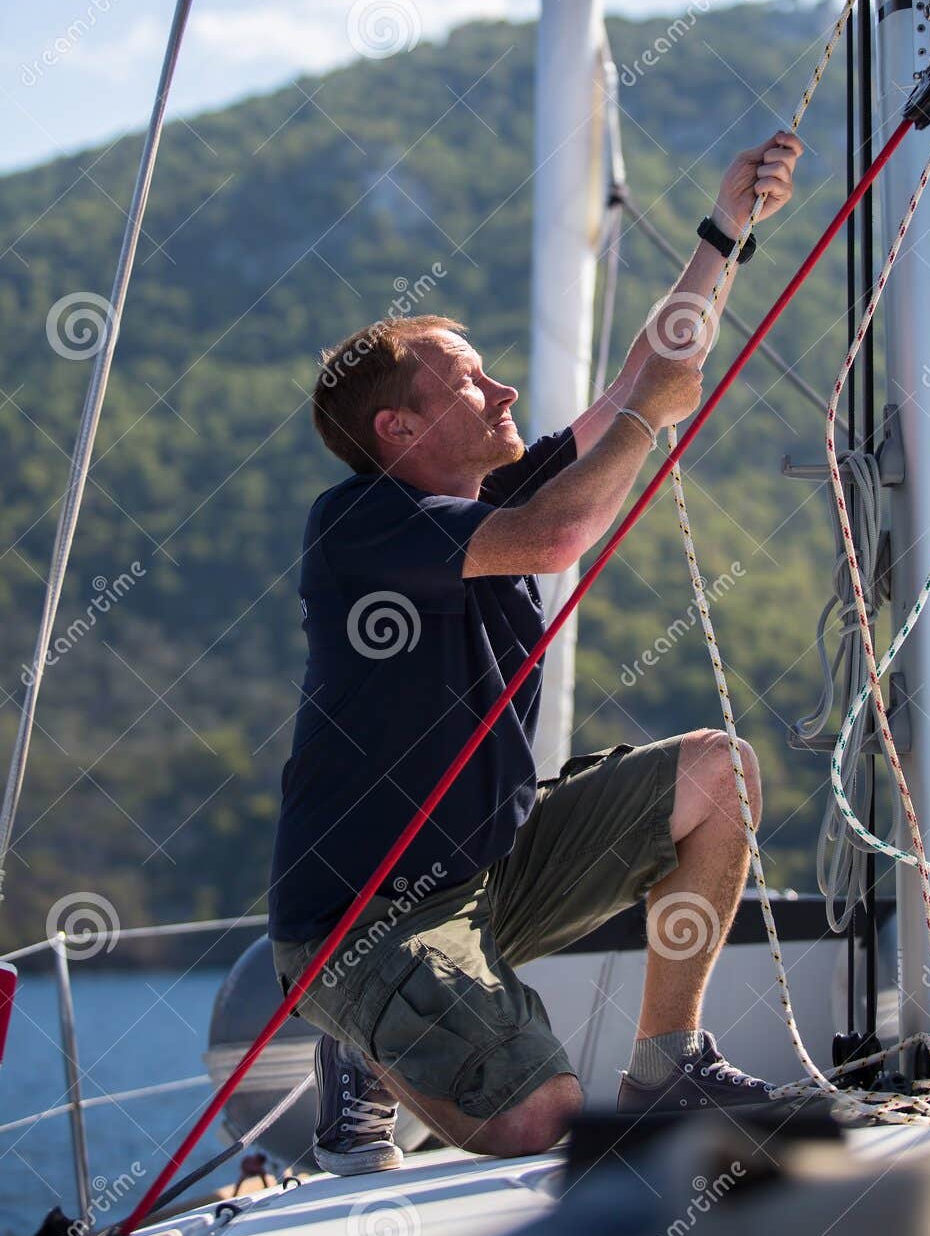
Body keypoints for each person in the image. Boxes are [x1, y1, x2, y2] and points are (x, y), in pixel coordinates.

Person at [269, 132, 803, 1175]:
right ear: (397, 428)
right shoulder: (359, 524)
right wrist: (644, 422)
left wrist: (723, 229)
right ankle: (361, 1033)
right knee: (541, 1123)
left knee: (718, 773)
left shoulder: (487, 494)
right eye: (471, 383)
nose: (505, 391)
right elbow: (561, 534)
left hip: (487, 869)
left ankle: (667, 1067)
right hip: (362, 916)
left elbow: (640, 375)